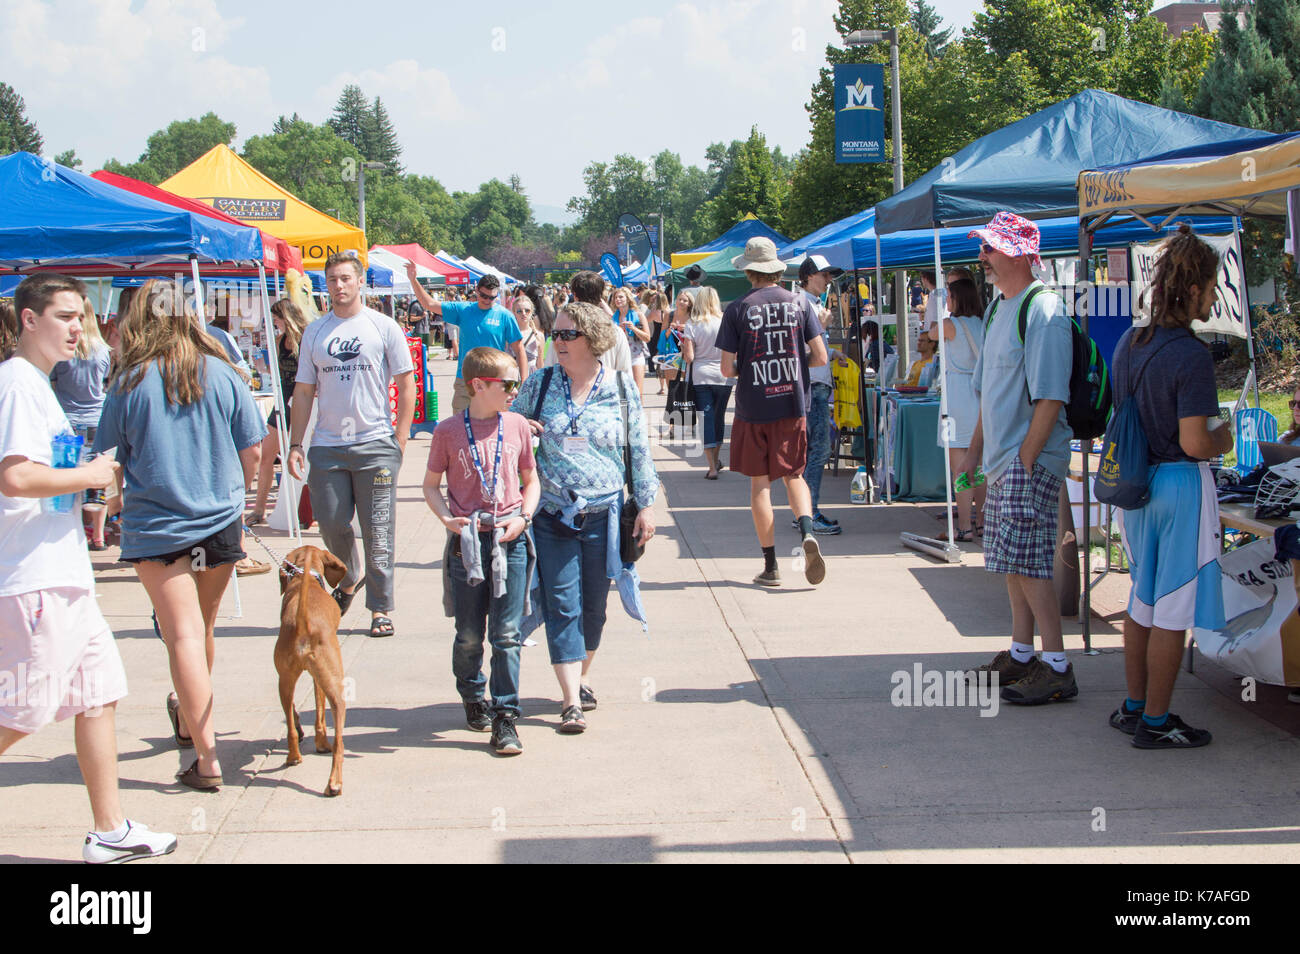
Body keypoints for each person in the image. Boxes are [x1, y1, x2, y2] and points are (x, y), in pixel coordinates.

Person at [0, 274, 177, 863]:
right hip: (34, 577)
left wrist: (92, 488)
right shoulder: (19, 384)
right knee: (24, 711)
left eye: (82, 316)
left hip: (62, 570)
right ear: (30, 320)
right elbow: (17, 477)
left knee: (98, 694)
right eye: (66, 316)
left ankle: (110, 830)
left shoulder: (40, 385)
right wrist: (91, 477)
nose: (80, 328)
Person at [95, 278, 266, 791]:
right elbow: (254, 450)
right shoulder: (224, 372)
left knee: (183, 636)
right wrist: (238, 496)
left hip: (158, 527)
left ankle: (206, 755)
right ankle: (195, 727)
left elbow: (107, 462)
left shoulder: (127, 382)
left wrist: (112, 501)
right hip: (218, 520)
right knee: (201, 631)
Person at [1111, 225, 1232, 748]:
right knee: (1173, 610)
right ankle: (1157, 723)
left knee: (1142, 601)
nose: (1214, 296)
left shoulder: (1129, 342)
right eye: (1211, 286)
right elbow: (1196, 442)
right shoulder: (1191, 355)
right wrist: (1225, 433)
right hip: (1180, 486)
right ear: (1193, 288)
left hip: (1134, 488)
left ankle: (1135, 706)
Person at [514, 302, 657, 733]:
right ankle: (571, 699)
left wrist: (646, 503)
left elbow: (638, 447)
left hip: (605, 515)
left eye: (567, 335)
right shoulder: (538, 385)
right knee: (562, 602)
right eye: (554, 334)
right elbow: (508, 432)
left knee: (594, 607)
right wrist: (524, 430)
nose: (557, 342)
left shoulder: (620, 386)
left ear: (593, 340)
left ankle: (584, 673)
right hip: (552, 513)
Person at [961, 212, 1076, 704]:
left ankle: (1056, 664)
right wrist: (974, 456)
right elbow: (989, 391)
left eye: (990, 248)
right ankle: (1022, 653)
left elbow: (1051, 398)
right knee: (1013, 560)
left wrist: (1025, 460)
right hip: (1005, 462)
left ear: (1017, 253)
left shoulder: (1043, 309)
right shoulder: (997, 310)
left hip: (1028, 461)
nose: (983, 256)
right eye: (984, 247)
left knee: (1029, 564)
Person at [288, 252, 416, 639]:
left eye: (345, 279)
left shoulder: (382, 327)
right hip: (327, 447)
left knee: (378, 528)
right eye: (332, 280)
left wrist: (401, 435)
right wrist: (296, 443)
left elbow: (406, 382)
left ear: (360, 282)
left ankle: (380, 607)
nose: (339, 286)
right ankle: (349, 575)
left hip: (375, 444)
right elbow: (305, 390)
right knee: (330, 523)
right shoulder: (315, 332)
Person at [425, 347, 538, 755]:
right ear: (478, 385)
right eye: (506, 385)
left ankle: (506, 716)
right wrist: (446, 519)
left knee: (506, 635)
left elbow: (531, 480)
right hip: (468, 543)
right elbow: (430, 485)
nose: (513, 391)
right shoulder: (448, 431)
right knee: (470, 634)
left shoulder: (518, 425)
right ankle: (473, 695)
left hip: (510, 538)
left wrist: (524, 517)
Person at [716, 237, 829, 587]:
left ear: (749, 271)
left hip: (753, 407)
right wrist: (795, 366)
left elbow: (725, 369)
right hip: (792, 404)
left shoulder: (736, 309)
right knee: (794, 474)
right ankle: (808, 532)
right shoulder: (799, 304)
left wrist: (748, 369)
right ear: (777, 270)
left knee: (760, 485)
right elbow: (821, 357)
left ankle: (771, 566)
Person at [405, 267, 526, 413]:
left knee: (494, 426)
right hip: (466, 380)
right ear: (476, 290)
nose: (487, 300)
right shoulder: (463, 310)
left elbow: (519, 349)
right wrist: (413, 279)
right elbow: (429, 304)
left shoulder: (505, 316)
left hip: (495, 381)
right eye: (483, 296)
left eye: (492, 298)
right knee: (460, 426)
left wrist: (523, 381)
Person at [50, 298, 113, 550]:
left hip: (67, 420)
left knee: (68, 479)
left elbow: (53, 381)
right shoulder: (103, 350)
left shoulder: (63, 351)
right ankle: (98, 535)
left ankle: (75, 531)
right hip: (96, 417)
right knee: (98, 480)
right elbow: (106, 381)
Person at [935, 278, 986, 541]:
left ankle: (964, 524)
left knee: (960, 466)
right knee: (979, 465)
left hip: (956, 400)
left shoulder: (949, 325)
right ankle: (982, 522)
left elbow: (930, 332)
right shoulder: (982, 324)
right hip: (979, 396)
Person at [796, 255, 845, 535]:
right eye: (825, 275)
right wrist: (822, 329)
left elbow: (814, 347)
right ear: (811, 275)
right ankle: (809, 513)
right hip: (812, 387)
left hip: (817, 385)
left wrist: (833, 353)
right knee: (818, 451)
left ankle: (806, 512)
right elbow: (799, 344)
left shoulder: (812, 304)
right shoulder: (803, 304)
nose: (829, 281)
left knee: (815, 451)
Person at [249, 297, 308, 525]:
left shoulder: (306, 339)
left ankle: (305, 509)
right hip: (282, 402)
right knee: (267, 456)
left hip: (303, 404)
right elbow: (274, 372)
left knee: (305, 458)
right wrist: (262, 368)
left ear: (287, 318)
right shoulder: (278, 340)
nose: (275, 323)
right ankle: (259, 508)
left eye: (277, 318)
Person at [680, 286, 732, 479]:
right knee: (719, 419)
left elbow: (690, 357)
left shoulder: (692, 324)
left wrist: (685, 348)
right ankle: (717, 460)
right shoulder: (725, 321)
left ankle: (711, 466)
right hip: (724, 375)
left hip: (701, 376)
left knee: (706, 419)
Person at [543, 272, 632, 373]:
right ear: (600, 297)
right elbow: (625, 373)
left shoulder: (561, 332)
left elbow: (549, 368)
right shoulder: (616, 332)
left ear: (575, 296)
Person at [611, 287, 651, 393]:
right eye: (616, 297)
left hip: (636, 355)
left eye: (621, 297)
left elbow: (647, 338)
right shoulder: (613, 318)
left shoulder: (638, 315)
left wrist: (633, 328)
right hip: (619, 356)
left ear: (628, 298)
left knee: (637, 392)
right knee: (622, 392)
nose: (618, 300)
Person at [512, 294, 544, 375]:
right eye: (519, 311)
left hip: (532, 377)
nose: (523, 313)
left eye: (527, 310)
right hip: (512, 376)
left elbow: (540, 363)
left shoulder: (538, 335)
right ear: (514, 313)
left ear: (532, 312)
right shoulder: (508, 334)